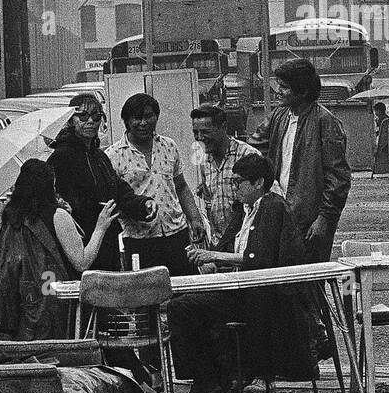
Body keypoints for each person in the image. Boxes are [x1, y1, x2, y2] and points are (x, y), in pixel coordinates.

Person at [170, 155, 318, 393]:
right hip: (238, 290)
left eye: (239, 182)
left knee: (184, 308)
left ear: (259, 182)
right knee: (181, 305)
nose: (234, 188)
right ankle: (206, 376)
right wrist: (210, 261)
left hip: (263, 296)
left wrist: (215, 254)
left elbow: (260, 257)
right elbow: (229, 245)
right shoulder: (243, 211)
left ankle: (213, 377)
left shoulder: (272, 207)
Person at [0, 159, 120, 340]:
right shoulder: (57, 216)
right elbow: (81, 262)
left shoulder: (10, 217)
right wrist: (101, 227)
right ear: (48, 187)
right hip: (56, 301)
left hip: (23, 302)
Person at [47, 93, 156, 272]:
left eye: (96, 116)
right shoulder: (60, 157)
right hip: (79, 244)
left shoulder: (99, 156)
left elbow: (119, 191)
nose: (90, 121)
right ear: (69, 120)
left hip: (107, 241)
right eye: (83, 116)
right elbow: (55, 202)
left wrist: (143, 205)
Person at [106, 93, 206, 277]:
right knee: (145, 297)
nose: (143, 123)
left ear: (156, 117)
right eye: (137, 118)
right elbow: (116, 199)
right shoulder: (113, 155)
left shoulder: (169, 145)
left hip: (176, 233)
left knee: (186, 292)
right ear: (126, 121)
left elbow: (181, 186)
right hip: (139, 238)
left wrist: (195, 218)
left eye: (148, 116)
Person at [264, 58, 351, 262]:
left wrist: (324, 219)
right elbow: (256, 147)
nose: (277, 91)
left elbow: (338, 179)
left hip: (310, 219)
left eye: (284, 87)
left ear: (302, 91)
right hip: (281, 213)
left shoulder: (326, 121)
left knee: (310, 281)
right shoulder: (279, 116)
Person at [189, 104, 259, 248]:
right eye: (196, 132)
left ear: (223, 127)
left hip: (246, 242)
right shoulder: (204, 160)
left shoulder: (247, 155)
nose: (200, 138)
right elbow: (210, 201)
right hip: (220, 244)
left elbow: (262, 204)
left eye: (206, 132)